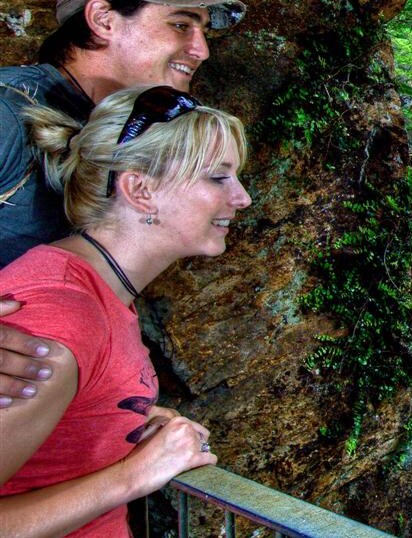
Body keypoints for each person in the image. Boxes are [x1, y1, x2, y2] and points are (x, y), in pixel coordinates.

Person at [0, 84, 251, 536]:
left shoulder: (100, 294)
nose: (242, 197)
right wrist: (133, 476)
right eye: (218, 177)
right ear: (140, 189)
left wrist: (122, 421)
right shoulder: (59, 316)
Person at [0, 0, 246, 406]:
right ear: (103, 19)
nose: (200, 50)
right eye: (181, 23)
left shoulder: (110, 130)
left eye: (202, 30)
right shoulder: (8, 114)